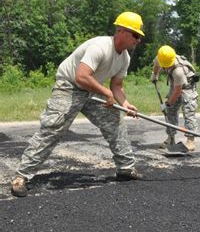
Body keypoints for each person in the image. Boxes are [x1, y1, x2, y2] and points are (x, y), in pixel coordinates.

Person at [11, 11, 145, 197]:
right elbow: (81, 76)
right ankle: (21, 177)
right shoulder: (100, 46)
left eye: (139, 37)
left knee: (115, 120)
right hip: (69, 87)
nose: (138, 41)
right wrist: (106, 92)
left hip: (92, 91)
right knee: (53, 128)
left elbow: (117, 85)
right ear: (121, 31)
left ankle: (125, 169)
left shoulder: (125, 58)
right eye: (136, 35)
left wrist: (126, 103)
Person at [150, 45, 199, 151]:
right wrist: (155, 75)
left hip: (188, 87)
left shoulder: (178, 71)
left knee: (189, 111)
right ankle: (171, 137)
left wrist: (167, 104)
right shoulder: (161, 58)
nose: (167, 67)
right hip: (175, 84)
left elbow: (178, 92)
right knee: (170, 112)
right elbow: (157, 65)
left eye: (168, 65)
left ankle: (190, 140)